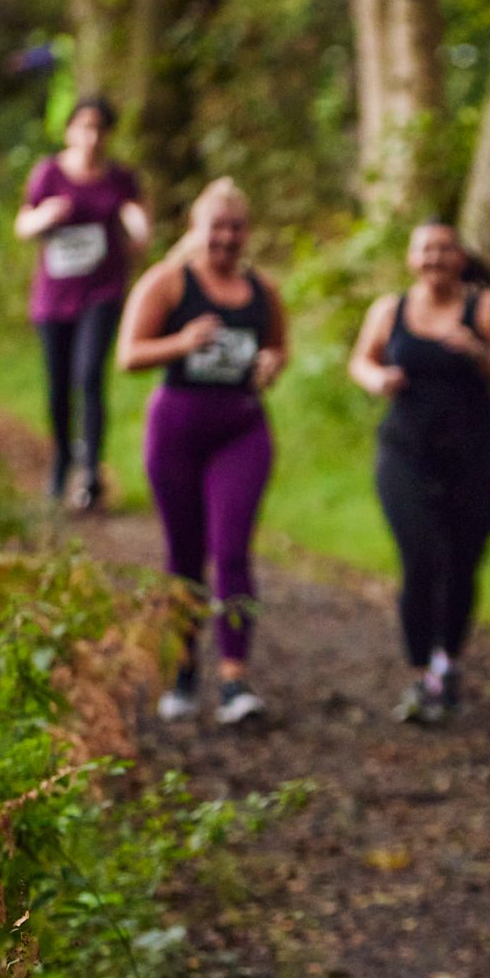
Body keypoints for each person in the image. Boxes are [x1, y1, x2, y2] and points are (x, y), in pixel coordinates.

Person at [116, 178, 287, 727]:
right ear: (197, 229)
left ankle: (235, 680)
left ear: (247, 233)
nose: (227, 238)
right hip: (177, 431)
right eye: (217, 227)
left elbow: (278, 345)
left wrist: (271, 365)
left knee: (232, 550)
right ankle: (184, 669)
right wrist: (182, 343)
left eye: (236, 228)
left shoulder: (263, 291)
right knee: (184, 558)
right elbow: (129, 355)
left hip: (242, 430)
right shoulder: (168, 283)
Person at [347, 221, 490, 724]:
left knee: (461, 561)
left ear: (460, 257)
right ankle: (420, 667)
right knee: (421, 556)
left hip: (477, 455)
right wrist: (378, 378)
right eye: (425, 249)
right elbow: (360, 361)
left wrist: (479, 352)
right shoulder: (391, 309)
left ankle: (446, 663)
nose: (434, 258)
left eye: (444, 249)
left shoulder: (485, 308)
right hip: (405, 452)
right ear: (411, 258)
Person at [13, 96, 150, 509]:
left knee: (89, 376)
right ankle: (60, 461)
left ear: (108, 135)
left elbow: (141, 225)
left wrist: (136, 225)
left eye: (99, 129)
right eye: (83, 128)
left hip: (102, 292)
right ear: (69, 131)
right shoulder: (48, 174)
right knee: (58, 385)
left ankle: (91, 472)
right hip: (53, 298)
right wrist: (47, 216)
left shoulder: (121, 179)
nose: (90, 137)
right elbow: (23, 224)